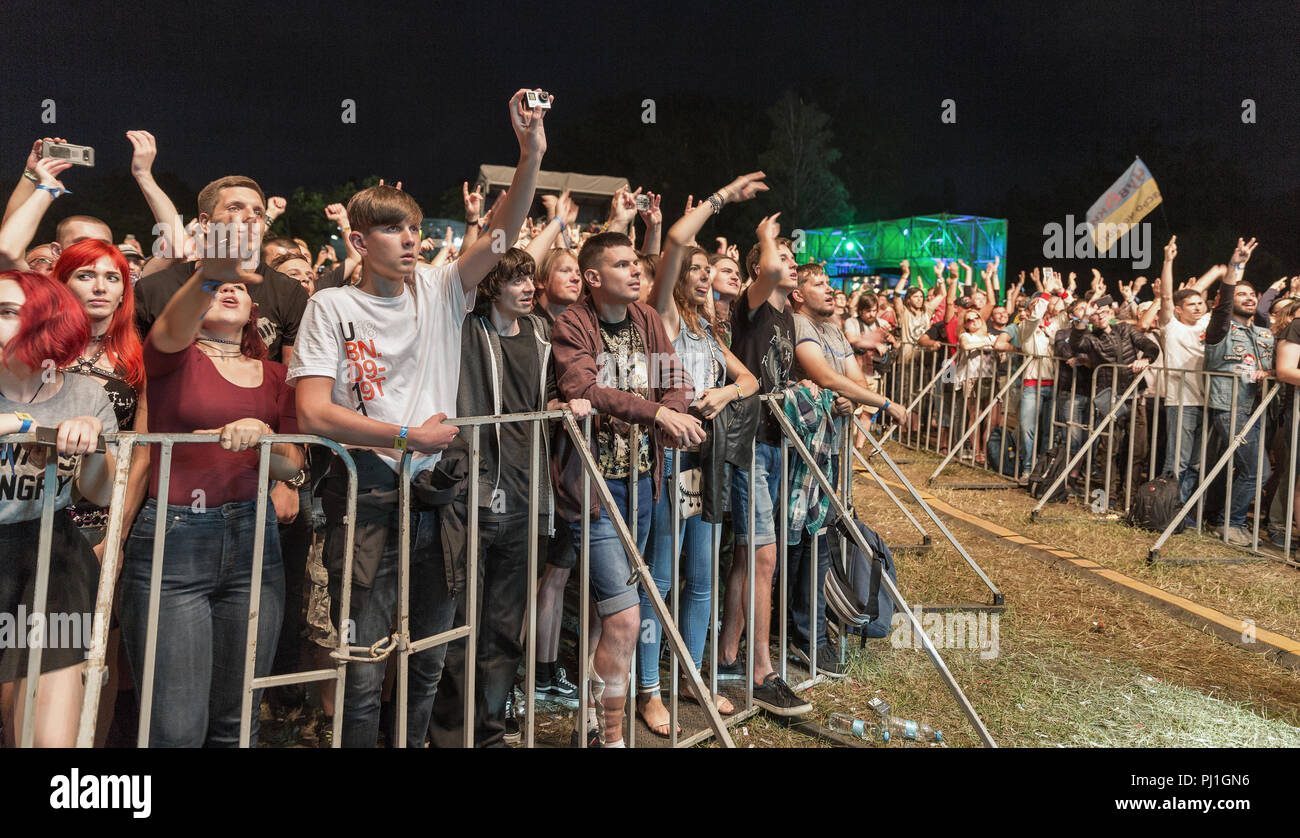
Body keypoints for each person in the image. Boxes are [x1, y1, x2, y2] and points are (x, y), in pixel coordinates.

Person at [289, 88, 550, 748]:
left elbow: (502, 231)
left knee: (429, 656)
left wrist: (531, 153)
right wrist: (406, 436)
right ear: (357, 239)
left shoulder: (442, 289)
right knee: (365, 665)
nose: (411, 239)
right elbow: (314, 410)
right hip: (368, 499)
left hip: (439, 501)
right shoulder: (331, 309)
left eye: (415, 228)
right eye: (391, 229)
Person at [118, 220, 304, 747]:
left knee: (235, 718)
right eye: (219, 285)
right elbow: (169, 329)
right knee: (176, 726)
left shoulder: (275, 378)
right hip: (175, 541)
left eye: (240, 287)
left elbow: (292, 464)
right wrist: (209, 274)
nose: (231, 289)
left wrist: (265, 437)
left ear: (255, 313)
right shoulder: (172, 358)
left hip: (254, 540)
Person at [428, 247, 590, 747]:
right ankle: (452, 734)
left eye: (529, 278)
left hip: (527, 493)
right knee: (461, 625)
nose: (528, 287)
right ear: (490, 286)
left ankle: (491, 730)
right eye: (515, 279)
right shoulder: (463, 328)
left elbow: (540, 396)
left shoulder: (541, 333)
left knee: (502, 627)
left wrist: (561, 404)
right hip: (474, 491)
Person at [550, 227, 703, 747]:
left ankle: (587, 726)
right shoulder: (573, 322)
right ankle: (610, 739)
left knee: (606, 614)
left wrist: (673, 411)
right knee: (624, 619)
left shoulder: (647, 319)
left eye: (636, 262)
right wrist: (657, 411)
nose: (636, 270)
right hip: (593, 491)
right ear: (592, 278)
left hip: (643, 483)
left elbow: (676, 380)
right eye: (621, 265)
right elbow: (583, 387)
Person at [636, 173, 765, 735]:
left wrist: (722, 391)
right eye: (695, 272)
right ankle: (648, 687)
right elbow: (670, 247)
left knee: (703, 578)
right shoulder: (660, 318)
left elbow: (752, 380)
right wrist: (721, 200)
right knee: (660, 578)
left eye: (704, 274)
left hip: (706, 463)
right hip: (669, 459)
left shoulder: (711, 335)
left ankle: (688, 671)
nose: (702, 280)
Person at [0, 270, 117, 747]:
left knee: (47, 736)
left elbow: (103, 493)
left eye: (8, 311)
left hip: (50, 554)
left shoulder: (84, 393)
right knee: (11, 714)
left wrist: (93, 442)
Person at [715, 210, 814, 717]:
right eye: (784, 260)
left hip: (775, 443)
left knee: (749, 557)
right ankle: (762, 672)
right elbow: (771, 269)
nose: (791, 266)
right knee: (764, 558)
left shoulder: (785, 319)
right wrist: (765, 235)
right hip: (748, 442)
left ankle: (730, 653)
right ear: (761, 270)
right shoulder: (751, 307)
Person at [787, 263, 907, 677]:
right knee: (794, 546)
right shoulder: (799, 324)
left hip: (829, 453)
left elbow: (852, 379)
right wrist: (883, 405)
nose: (829, 289)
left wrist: (854, 400)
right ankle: (799, 635)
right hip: (798, 454)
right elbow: (824, 376)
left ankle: (813, 634)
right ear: (798, 294)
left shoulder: (834, 331)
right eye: (817, 284)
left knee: (818, 541)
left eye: (828, 282)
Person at [1203, 237, 1273, 546]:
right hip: (1231, 408)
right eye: (1241, 294)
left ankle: (1225, 520)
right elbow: (1224, 304)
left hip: (1260, 412)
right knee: (1259, 471)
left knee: (1245, 470)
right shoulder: (1220, 328)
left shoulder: (1264, 333)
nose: (1248, 298)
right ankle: (1229, 524)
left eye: (1252, 294)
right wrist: (1236, 266)